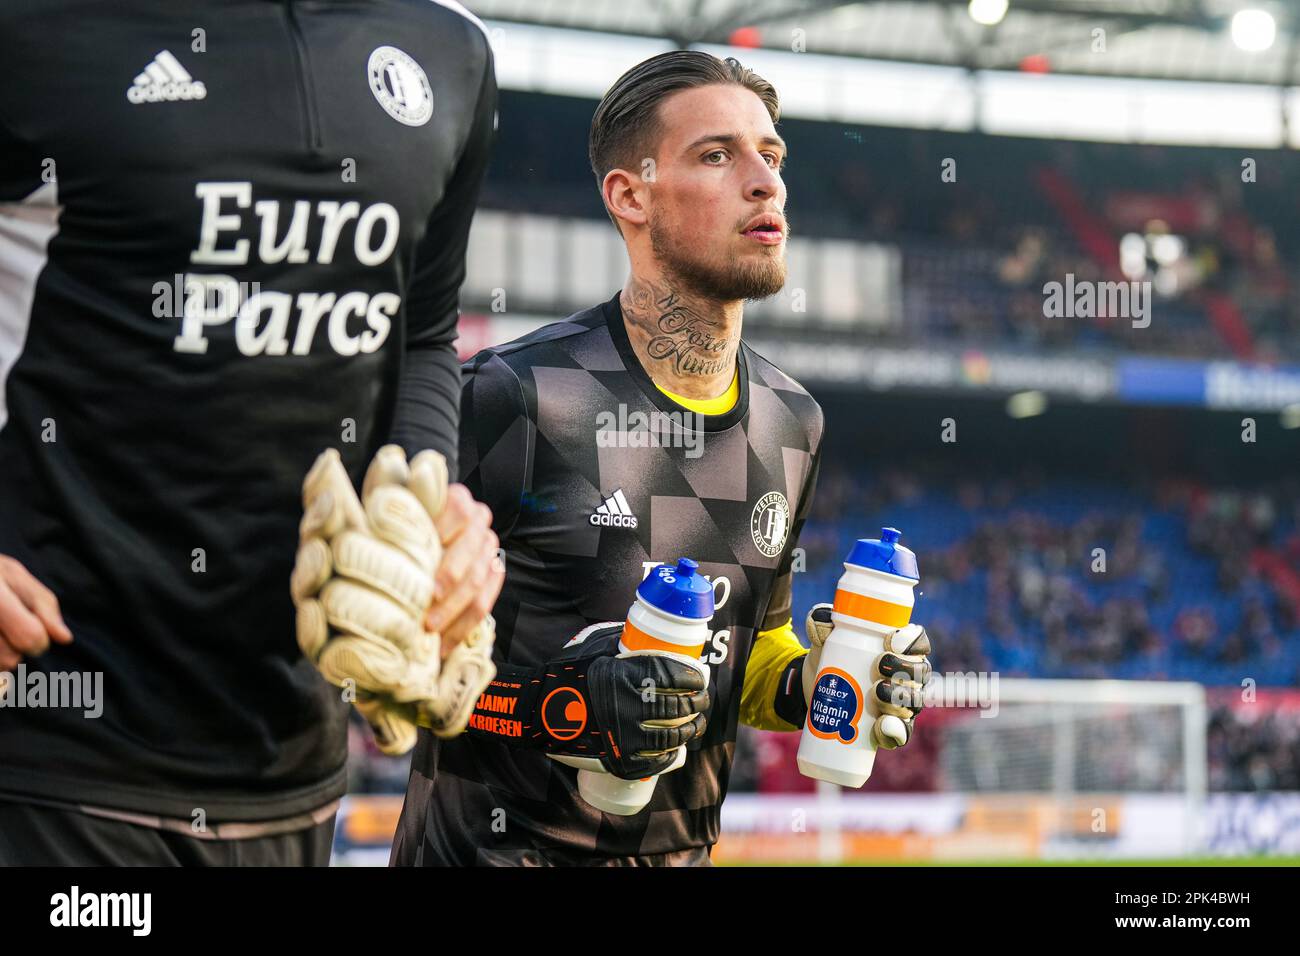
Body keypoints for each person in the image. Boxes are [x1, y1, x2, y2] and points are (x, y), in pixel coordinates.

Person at [391, 51, 931, 867]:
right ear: (630, 195)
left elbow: (751, 657)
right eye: (717, 155)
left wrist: (828, 682)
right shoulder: (513, 396)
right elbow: (378, 666)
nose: (765, 182)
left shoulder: (794, 421)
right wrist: (558, 709)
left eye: (772, 156)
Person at [0, 0, 502, 865]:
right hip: (47, 738)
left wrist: (424, 507)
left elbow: (420, 325)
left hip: (292, 760)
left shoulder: (449, 48)